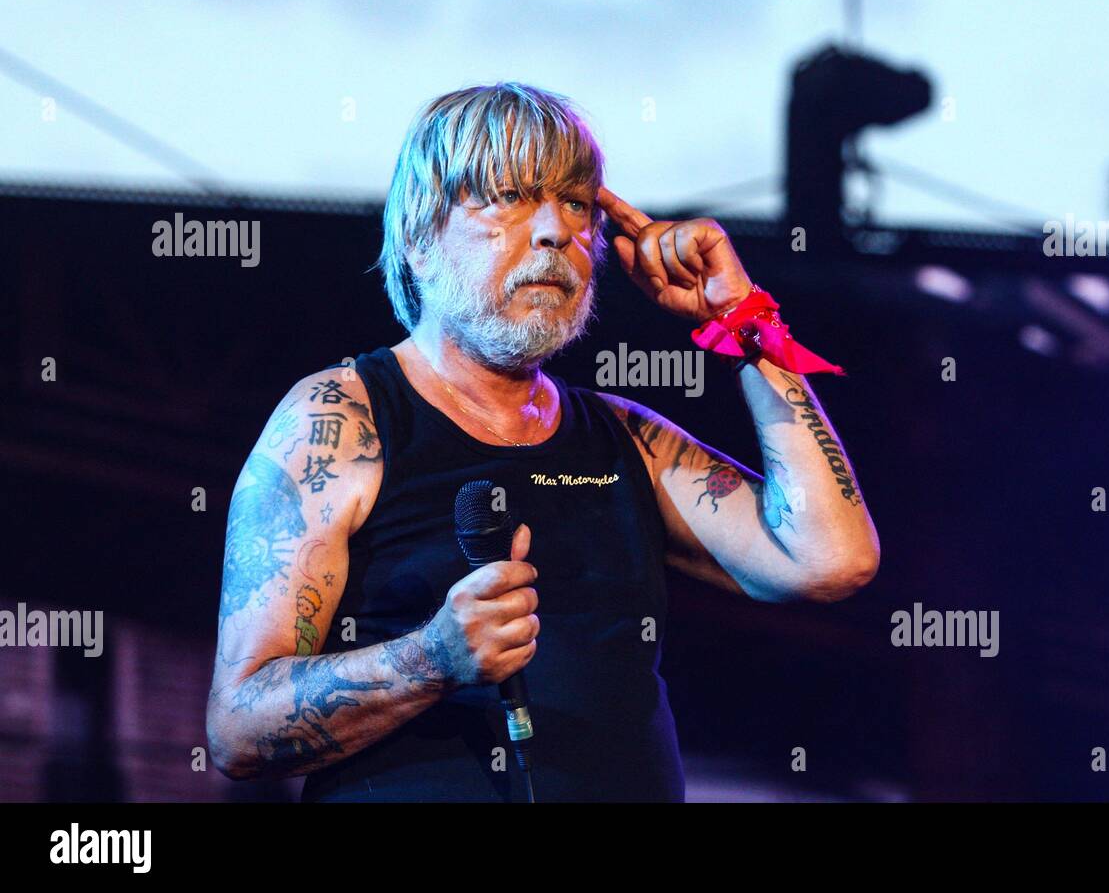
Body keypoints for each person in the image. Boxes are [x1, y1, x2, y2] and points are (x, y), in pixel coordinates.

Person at [205, 82, 880, 801]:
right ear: (420, 238)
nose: (557, 230)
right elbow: (237, 729)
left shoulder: (626, 437)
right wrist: (430, 659)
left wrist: (743, 319)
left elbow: (829, 558)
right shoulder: (340, 419)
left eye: (577, 203)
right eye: (512, 196)